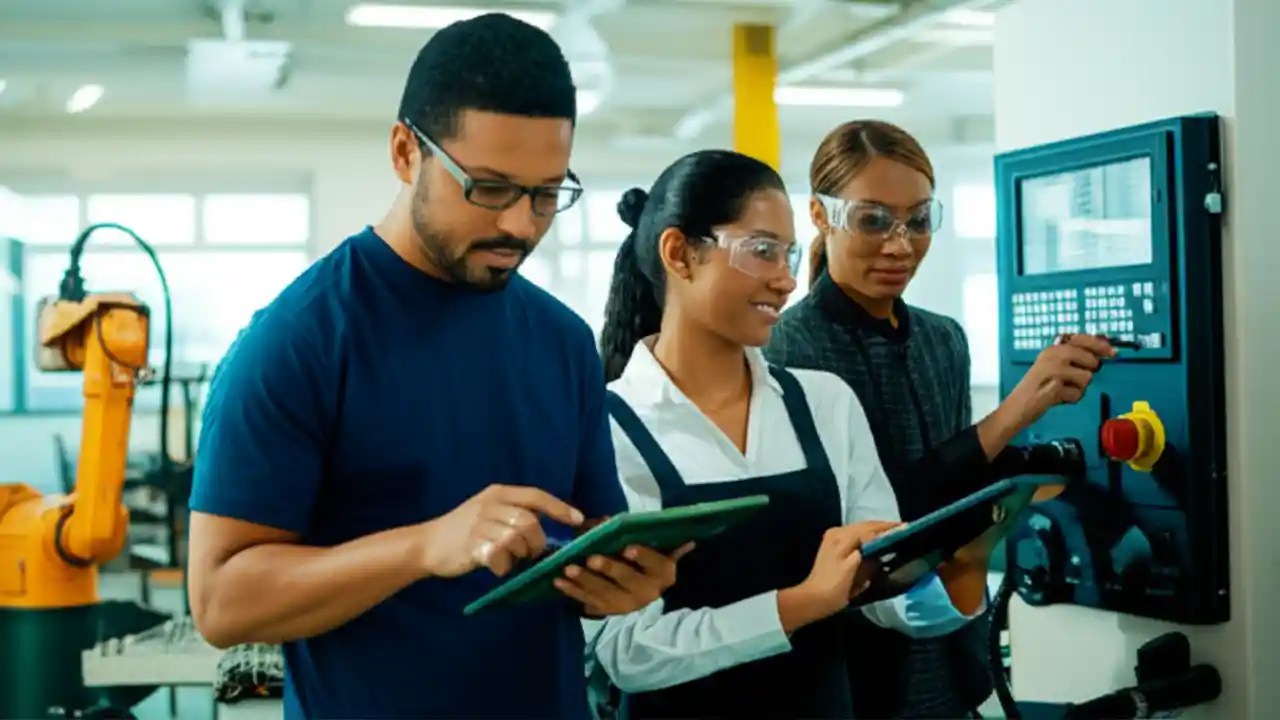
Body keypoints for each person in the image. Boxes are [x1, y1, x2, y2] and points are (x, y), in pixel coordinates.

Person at [186, 14, 684, 720]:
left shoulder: (562, 341)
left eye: (546, 194)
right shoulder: (301, 339)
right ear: (404, 152)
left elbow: (587, 540)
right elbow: (220, 602)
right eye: (488, 187)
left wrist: (625, 580)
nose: (520, 223)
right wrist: (425, 546)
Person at [586, 149, 995, 720]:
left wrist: (965, 564)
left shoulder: (824, 402)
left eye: (789, 253)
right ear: (680, 253)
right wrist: (801, 604)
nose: (785, 279)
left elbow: (883, 597)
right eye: (760, 252)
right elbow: (626, 652)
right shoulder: (607, 427)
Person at [765, 119, 1116, 718]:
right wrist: (1013, 413)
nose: (900, 245)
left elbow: (960, 480)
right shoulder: (790, 349)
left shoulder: (942, 340)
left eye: (919, 220)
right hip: (856, 665)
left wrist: (1035, 473)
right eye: (873, 219)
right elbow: (870, 524)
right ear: (821, 217)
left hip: (954, 654)